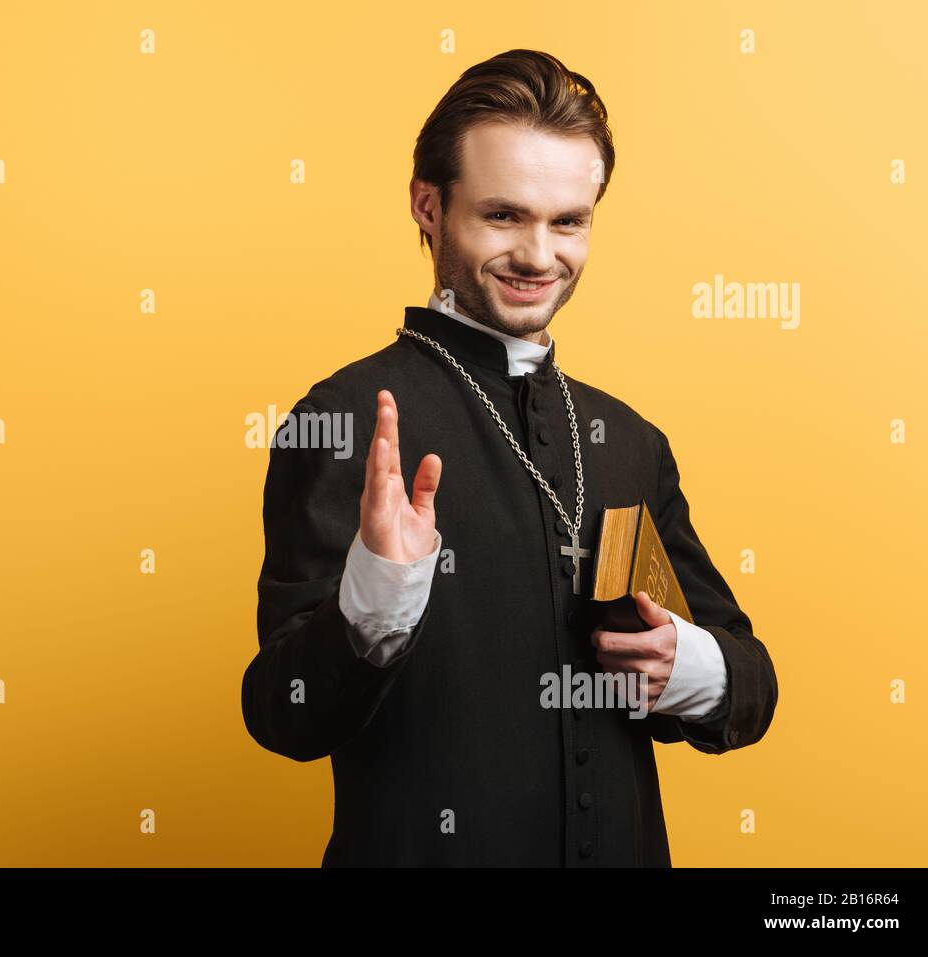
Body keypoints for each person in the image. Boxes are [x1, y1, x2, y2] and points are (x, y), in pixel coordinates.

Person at [241, 49, 778, 866]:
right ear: (429, 205)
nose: (539, 255)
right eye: (503, 216)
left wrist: (685, 662)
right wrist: (374, 597)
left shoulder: (632, 439)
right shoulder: (345, 419)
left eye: (569, 221)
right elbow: (283, 712)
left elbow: (752, 682)